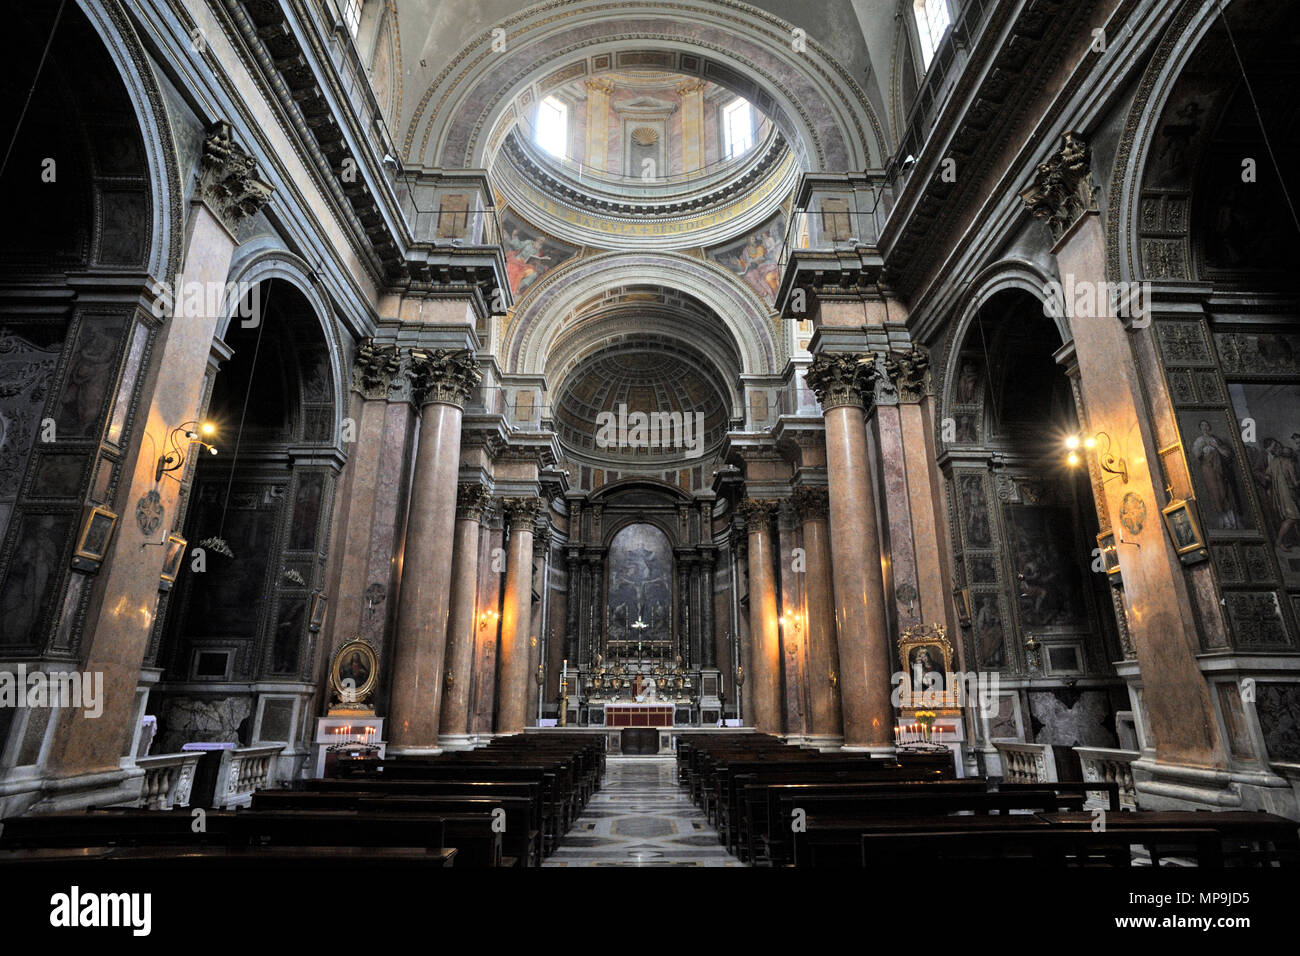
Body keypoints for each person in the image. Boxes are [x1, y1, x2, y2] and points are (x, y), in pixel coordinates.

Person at [1191, 420, 1240, 529]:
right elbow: (1197, 455)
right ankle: (1225, 522)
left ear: (1209, 427)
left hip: (1219, 468)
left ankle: (1232, 522)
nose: (1205, 427)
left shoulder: (1216, 440)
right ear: (1200, 428)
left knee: (1224, 491)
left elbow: (1227, 454)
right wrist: (1203, 446)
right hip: (1208, 469)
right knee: (1215, 493)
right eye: (1203, 425)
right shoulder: (1199, 441)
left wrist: (1216, 446)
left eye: (1207, 425)